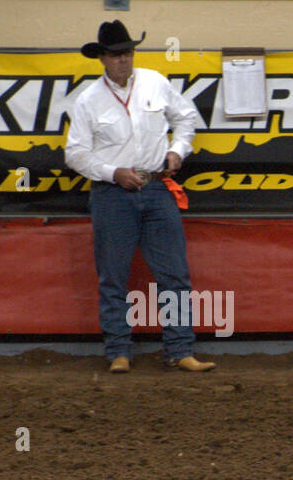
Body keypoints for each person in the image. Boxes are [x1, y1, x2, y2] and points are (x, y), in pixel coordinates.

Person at [64, 21, 216, 373]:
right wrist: (113, 172)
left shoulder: (155, 82)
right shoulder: (87, 100)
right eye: (117, 54)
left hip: (157, 187)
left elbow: (187, 118)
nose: (124, 60)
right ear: (102, 58)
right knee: (113, 276)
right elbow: (76, 155)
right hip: (112, 193)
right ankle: (119, 351)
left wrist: (178, 150)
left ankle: (180, 350)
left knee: (174, 274)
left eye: (128, 53)